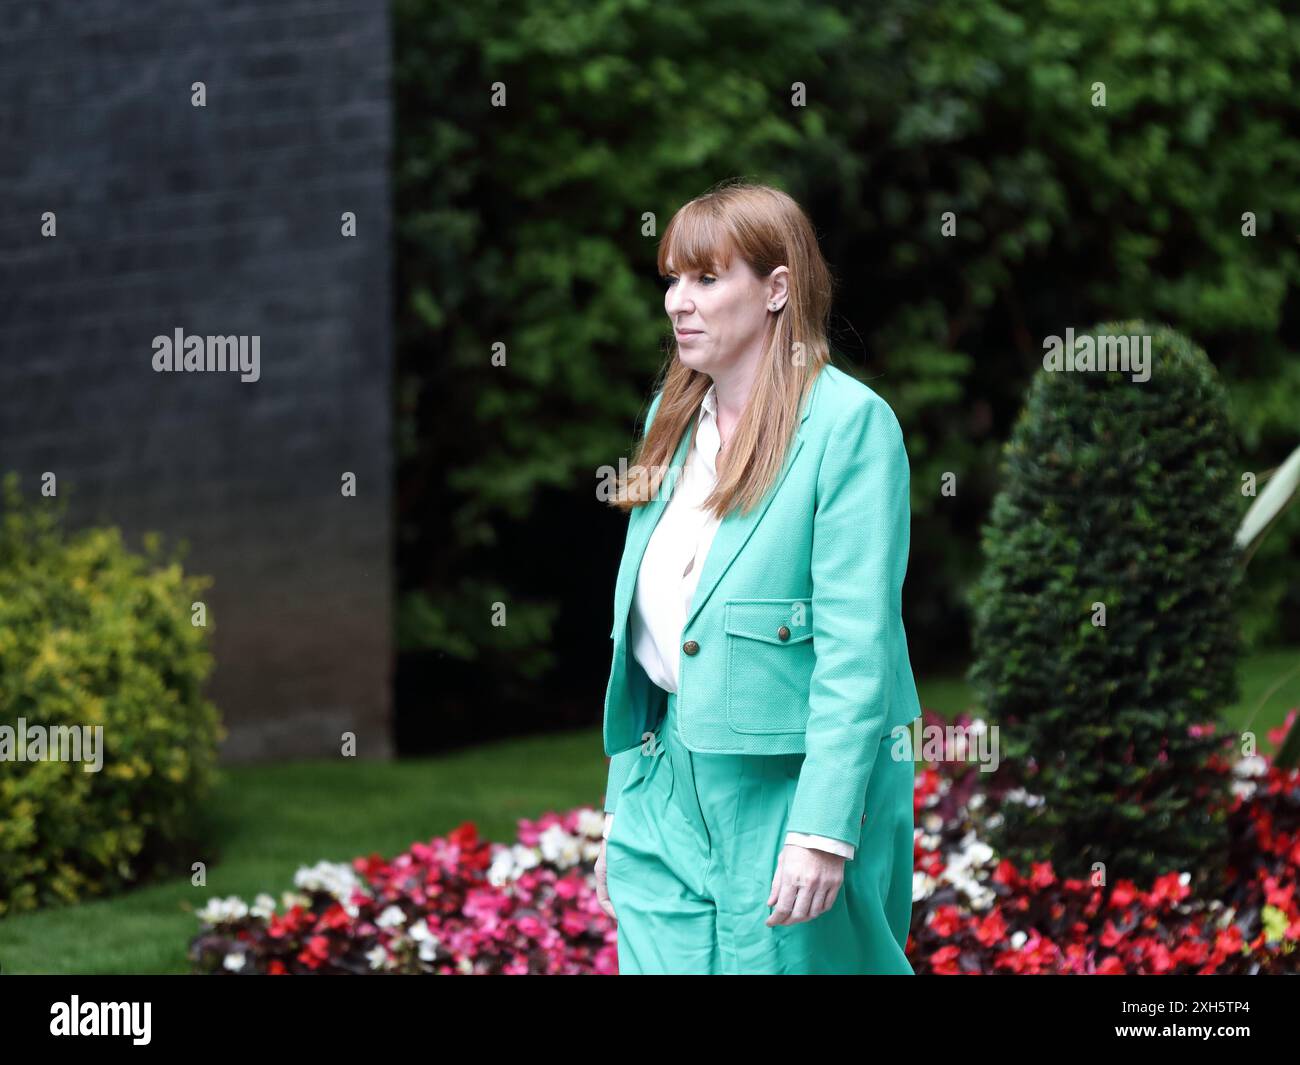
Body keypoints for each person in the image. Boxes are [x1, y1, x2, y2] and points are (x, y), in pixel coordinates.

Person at [593, 180, 922, 974]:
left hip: (785, 788)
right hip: (661, 780)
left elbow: (856, 649)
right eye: (672, 278)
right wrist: (623, 803)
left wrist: (821, 827)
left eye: (708, 278)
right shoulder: (667, 424)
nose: (679, 301)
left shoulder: (849, 428)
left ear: (777, 289)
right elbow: (656, 626)